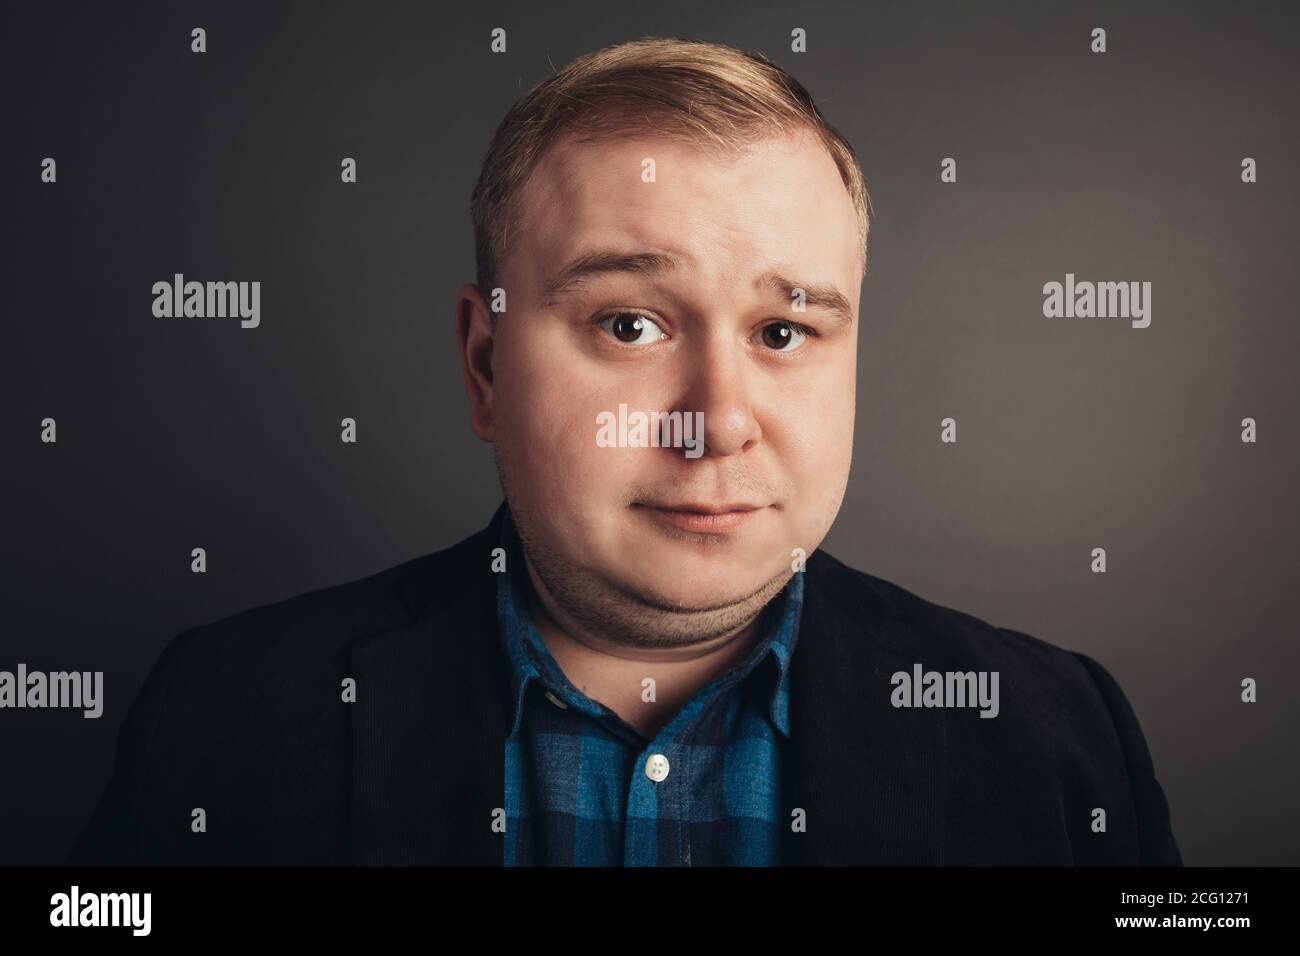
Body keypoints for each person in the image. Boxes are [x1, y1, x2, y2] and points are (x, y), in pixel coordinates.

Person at [68, 36, 1181, 867]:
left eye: (784, 331)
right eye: (628, 324)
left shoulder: (1053, 733)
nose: (719, 420)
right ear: (485, 364)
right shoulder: (227, 719)